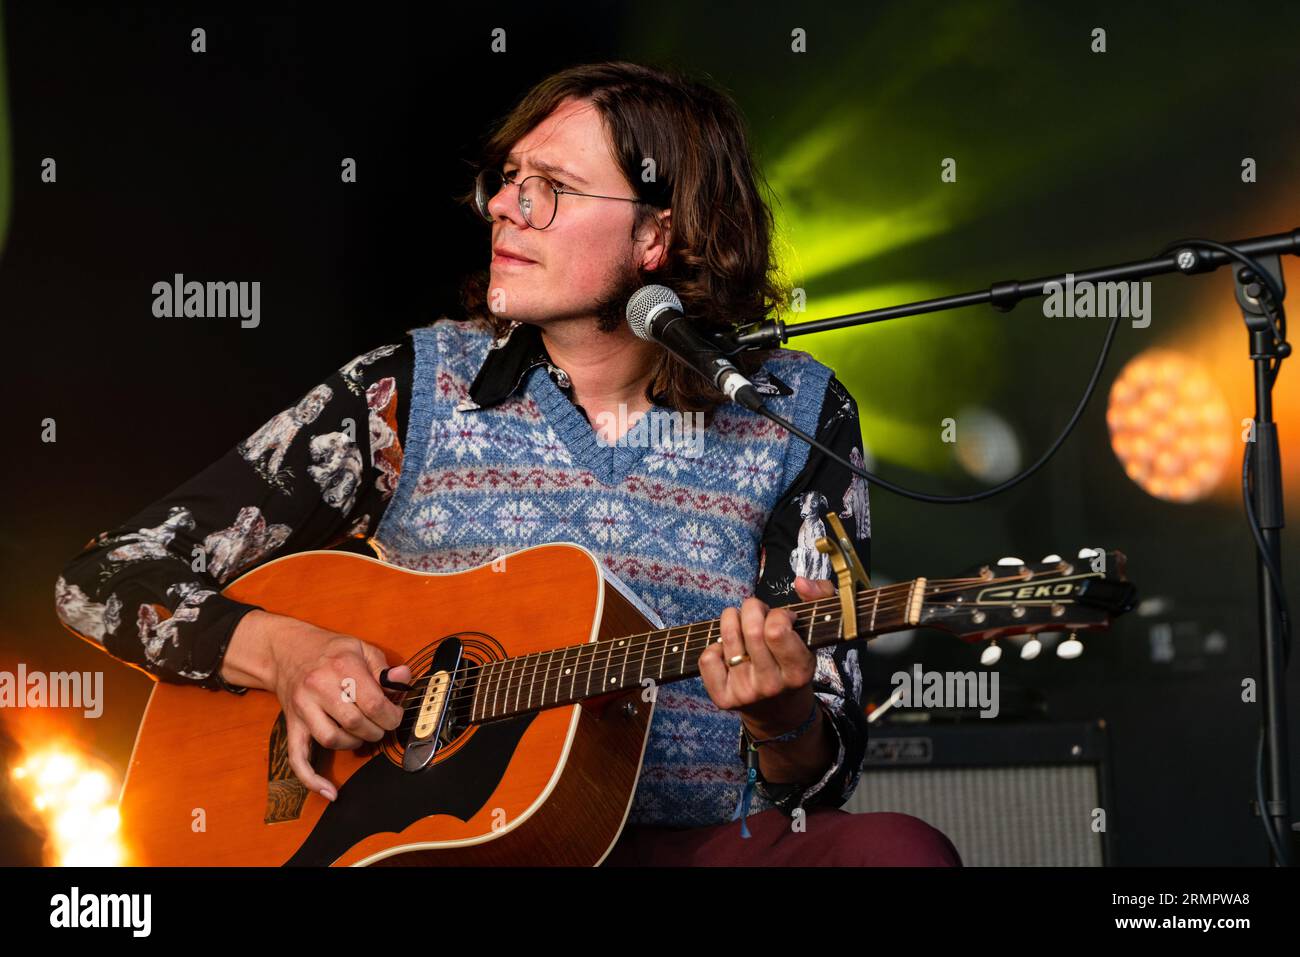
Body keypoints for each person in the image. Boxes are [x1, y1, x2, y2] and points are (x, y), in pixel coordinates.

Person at [55, 60, 960, 866]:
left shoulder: (792, 409)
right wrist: (284, 652)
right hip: (435, 850)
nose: (501, 205)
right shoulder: (408, 388)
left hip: (688, 843)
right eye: (508, 178)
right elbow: (103, 577)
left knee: (897, 851)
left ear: (658, 238)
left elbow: (818, 773)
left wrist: (781, 716)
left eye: (552, 188)